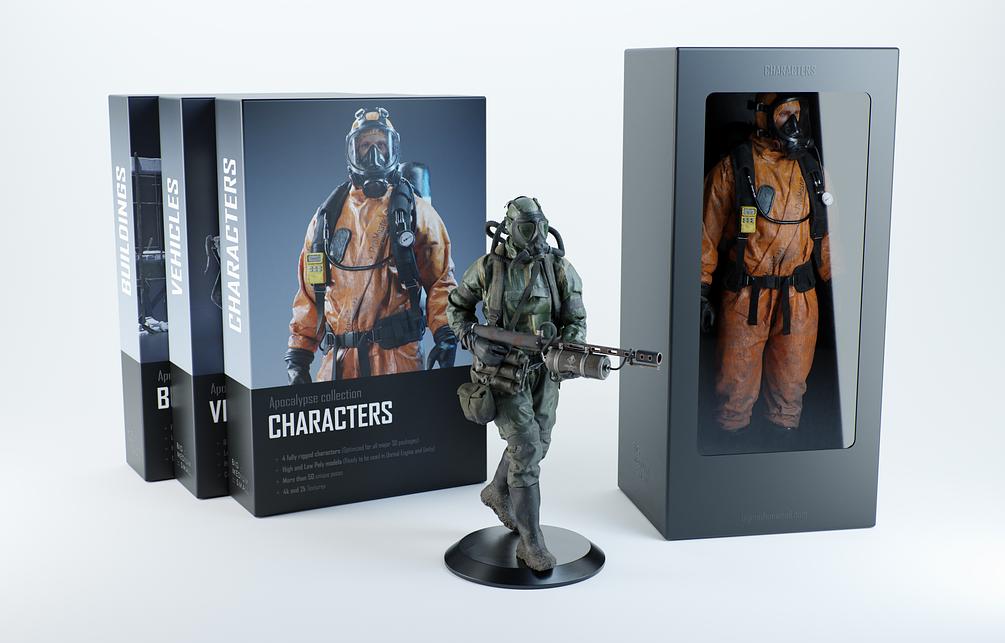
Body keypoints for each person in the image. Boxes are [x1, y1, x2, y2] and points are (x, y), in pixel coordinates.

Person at [447, 196, 587, 571]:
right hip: (503, 373)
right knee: (525, 449)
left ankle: (497, 490)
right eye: (528, 227)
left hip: (545, 371)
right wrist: (473, 339)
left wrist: (570, 350)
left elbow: (576, 319)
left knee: (539, 444)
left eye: (541, 226)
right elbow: (456, 307)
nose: (536, 235)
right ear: (510, 228)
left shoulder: (558, 269)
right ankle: (531, 542)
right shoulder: (488, 269)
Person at [285, 107, 458, 383]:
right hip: (339, 364)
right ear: (352, 151)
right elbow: (310, 292)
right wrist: (298, 355)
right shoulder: (327, 218)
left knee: (402, 414)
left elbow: (440, 281)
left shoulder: (414, 211)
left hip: (398, 360)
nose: (373, 154)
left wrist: (446, 334)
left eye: (381, 145)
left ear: (393, 150)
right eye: (365, 146)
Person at [701, 93, 832, 433]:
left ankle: (781, 450)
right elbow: (705, 232)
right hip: (746, 298)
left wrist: (839, 289)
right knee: (735, 387)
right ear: (764, 116)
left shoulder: (812, 172)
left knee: (790, 389)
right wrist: (700, 290)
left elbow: (828, 234)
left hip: (798, 300)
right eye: (784, 114)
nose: (793, 123)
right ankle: (730, 448)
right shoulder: (735, 168)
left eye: (797, 113)